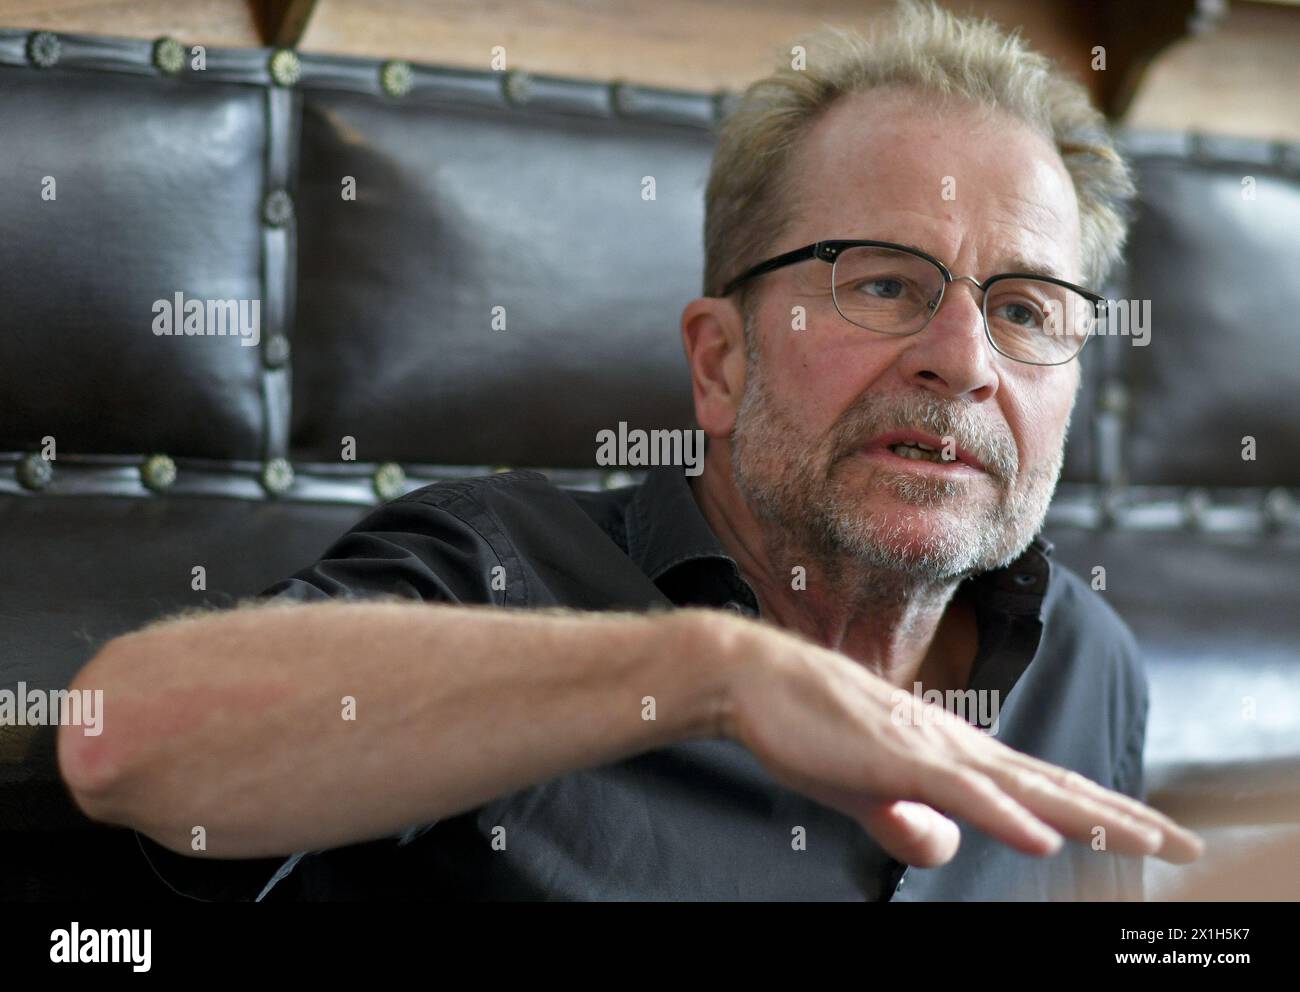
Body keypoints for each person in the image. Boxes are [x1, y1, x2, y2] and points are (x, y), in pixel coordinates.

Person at [57, 0, 1204, 901]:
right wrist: (708, 678)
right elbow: (123, 739)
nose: (962, 357)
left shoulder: (1083, 660)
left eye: (1025, 310)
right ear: (720, 363)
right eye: (884, 282)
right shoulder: (495, 572)